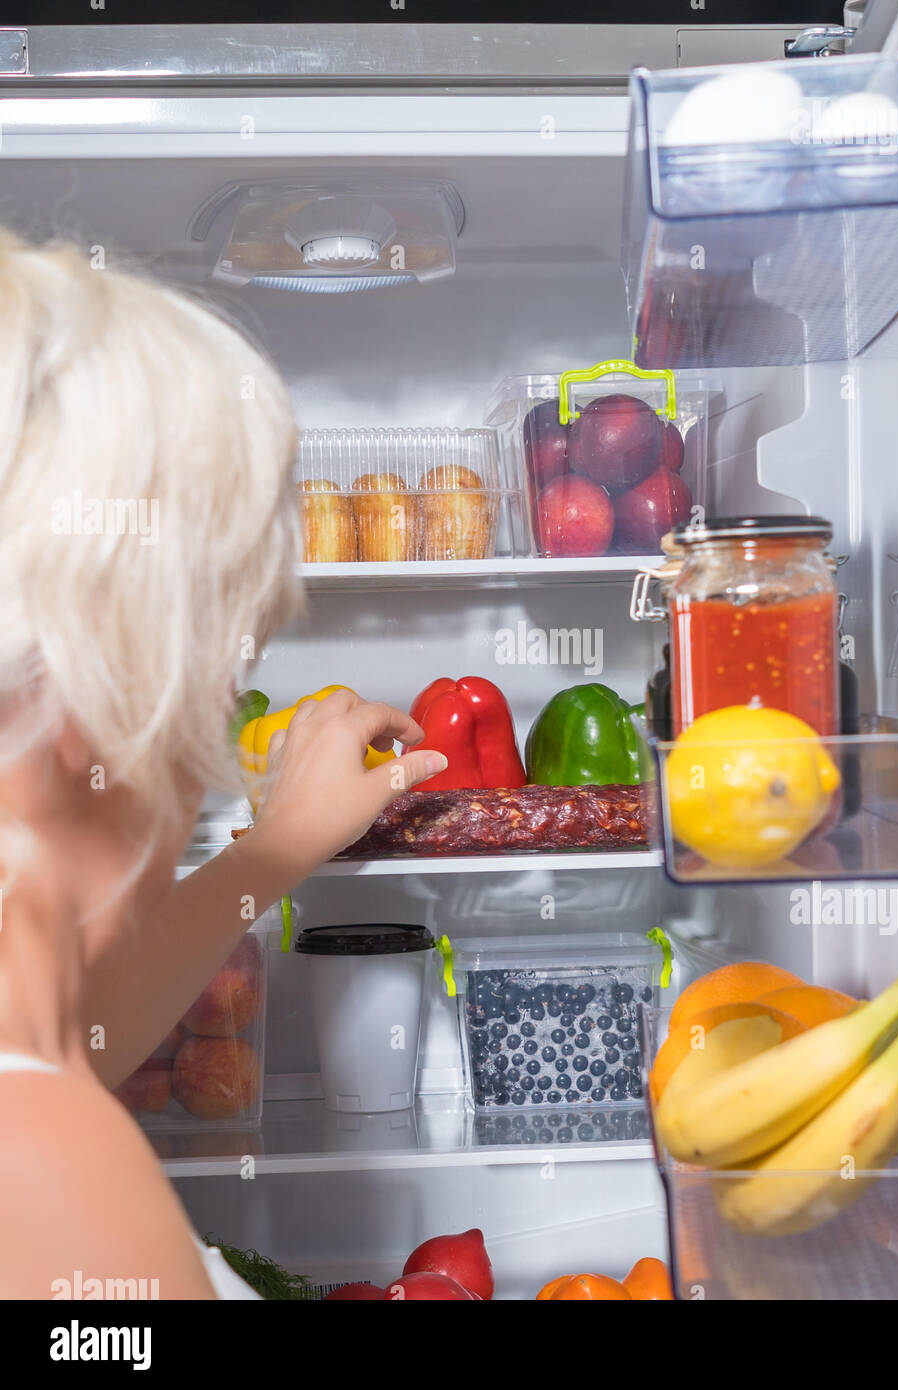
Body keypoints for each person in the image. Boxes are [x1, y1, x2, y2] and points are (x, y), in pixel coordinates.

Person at [0, 230, 447, 1298]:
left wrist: (277, 847)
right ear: (103, 696)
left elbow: (80, 1026)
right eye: (214, 686)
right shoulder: (59, 1179)